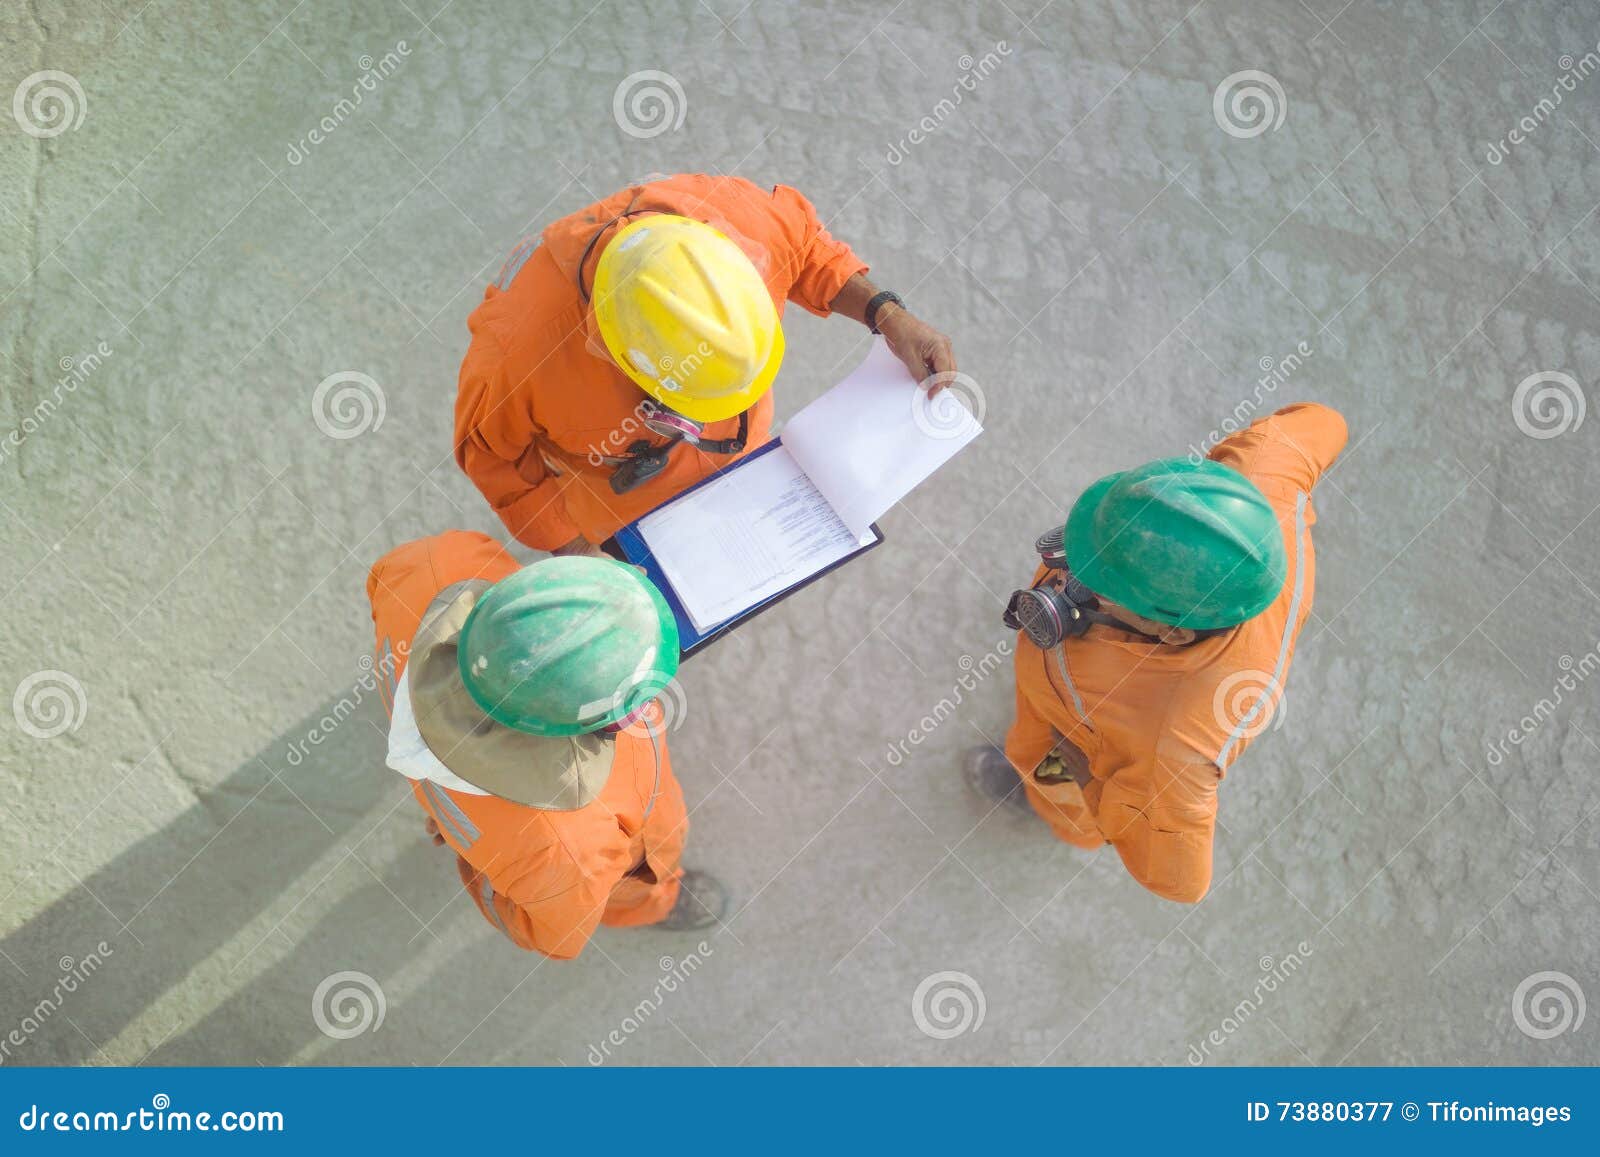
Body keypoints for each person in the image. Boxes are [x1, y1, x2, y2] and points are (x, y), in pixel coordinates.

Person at [454, 172, 957, 555]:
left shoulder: (746, 222)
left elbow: (809, 253)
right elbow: (492, 458)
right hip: (627, 514)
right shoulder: (515, 356)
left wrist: (887, 314)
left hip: (749, 469)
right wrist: (572, 547)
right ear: (618, 353)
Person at [968, 403, 1348, 903]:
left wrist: (1085, 772)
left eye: (1096, 590)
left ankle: (1063, 819)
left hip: (1076, 741)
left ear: (1172, 634)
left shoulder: (1173, 746)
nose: (1062, 574)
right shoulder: (1260, 484)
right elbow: (1324, 420)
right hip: (1074, 706)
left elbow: (1181, 882)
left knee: (1050, 781)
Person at [366, 530, 724, 958]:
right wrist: (484, 865)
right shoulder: (569, 853)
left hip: (524, 840)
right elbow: (550, 936)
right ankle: (650, 904)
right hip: (616, 855)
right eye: (634, 697)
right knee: (634, 879)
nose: (646, 703)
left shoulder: (436, 563)